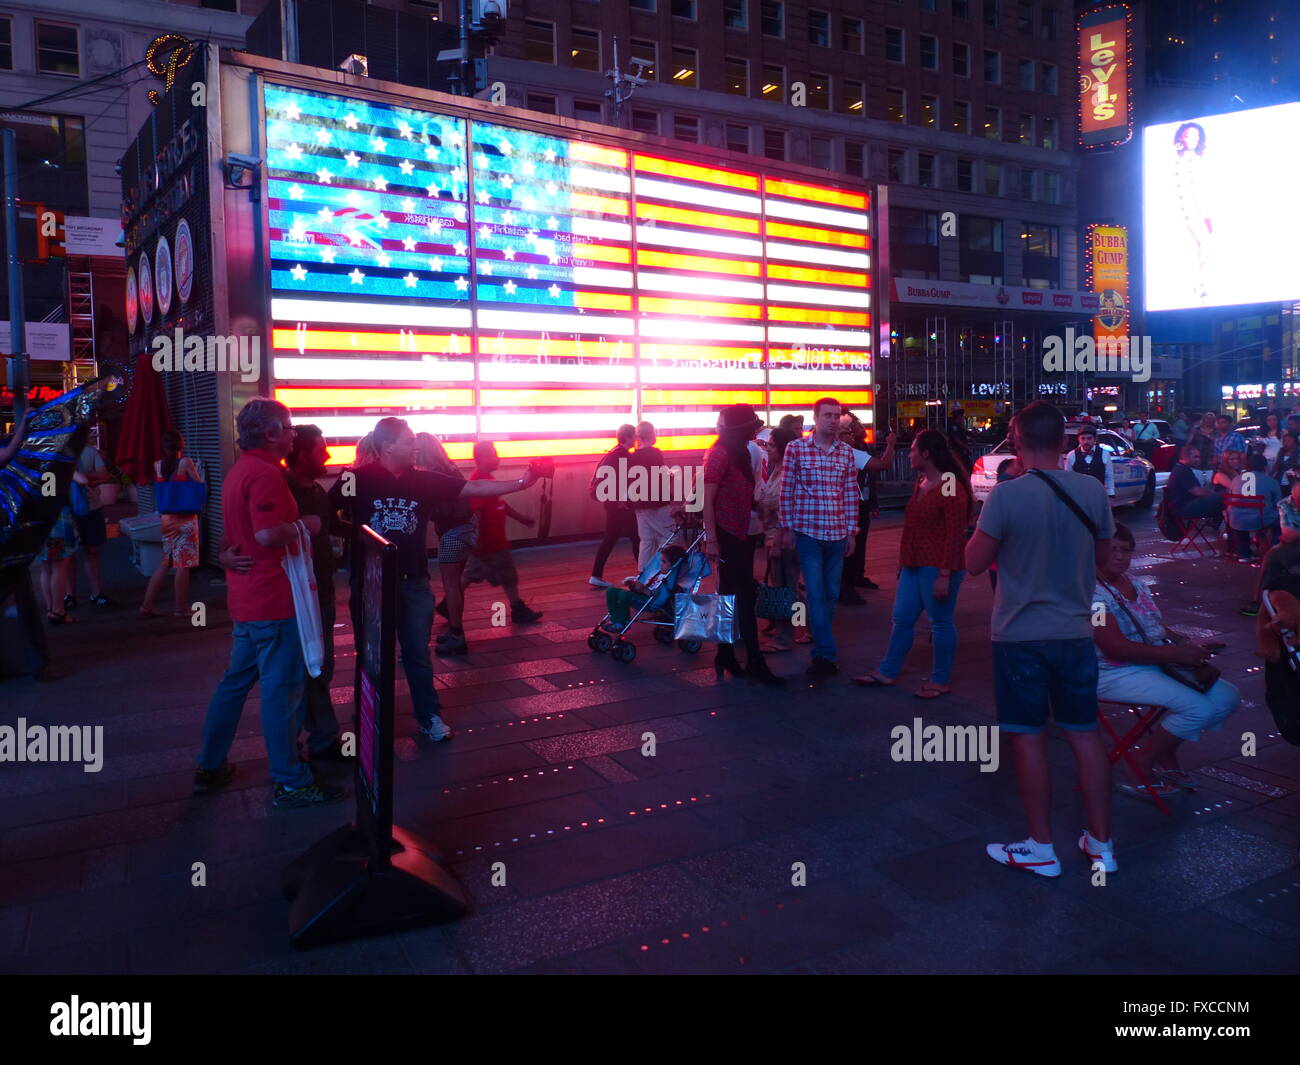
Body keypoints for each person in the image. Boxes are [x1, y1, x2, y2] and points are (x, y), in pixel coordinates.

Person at [966, 401, 1117, 878]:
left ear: (1015, 439)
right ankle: (1102, 844)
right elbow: (1104, 555)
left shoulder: (1006, 496)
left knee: (1028, 739)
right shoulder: (1092, 490)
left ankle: (1041, 847)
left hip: (1019, 636)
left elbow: (973, 562)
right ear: (1065, 442)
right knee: (1084, 735)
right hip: (1075, 632)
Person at [329, 418, 541, 741]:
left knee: (417, 654)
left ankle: (428, 717)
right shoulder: (356, 479)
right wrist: (354, 535)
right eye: (409, 440)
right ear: (387, 446)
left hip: (413, 581)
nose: (415, 446)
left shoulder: (423, 481)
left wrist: (524, 482)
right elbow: (326, 512)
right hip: (370, 586)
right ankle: (368, 718)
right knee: (372, 656)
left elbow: (475, 488)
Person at [194, 398, 345, 808]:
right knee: (283, 692)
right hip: (274, 599)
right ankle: (290, 781)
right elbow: (264, 535)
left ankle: (210, 764)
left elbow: (235, 536)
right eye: (290, 427)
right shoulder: (264, 474)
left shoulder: (238, 471)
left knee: (235, 682)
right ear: (273, 432)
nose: (295, 434)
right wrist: (306, 525)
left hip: (246, 599)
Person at [1093, 522, 1239, 797]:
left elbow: (1152, 625)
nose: (1120, 556)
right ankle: (1141, 761)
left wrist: (1184, 642)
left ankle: (1163, 751)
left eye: (1126, 550)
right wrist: (1176, 653)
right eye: (1112, 549)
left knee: (1226, 698)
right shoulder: (1092, 594)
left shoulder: (1134, 582)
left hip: (1154, 661)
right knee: (1198, 709)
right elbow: (1114, 648)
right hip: (1112, 671)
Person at [855, 430, 972, 698]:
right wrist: (902, 560)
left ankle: (940, 680)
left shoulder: (949, 483)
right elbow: (913, 527)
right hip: (913, 564)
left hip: (938, 565)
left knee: (940, 622)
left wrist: (945, 573)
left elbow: (955, 533)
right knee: (902, 618)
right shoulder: (921, 480)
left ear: (926, 454)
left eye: (912, 450)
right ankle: (887, 671)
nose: (908, 454)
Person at [702, 403, 784, 686]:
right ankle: (754, 661)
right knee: (745, 596)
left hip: (740, 534)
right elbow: (708, 499)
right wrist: (711, 538)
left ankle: (725, 653)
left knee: (730, 595)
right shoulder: (721, 452)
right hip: (727, 536)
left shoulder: (737, 451)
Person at [778, 397, 860, 677]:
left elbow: (850, 493)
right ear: (815, 418)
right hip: (808, 531)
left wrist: (852, 531)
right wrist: (786, 527)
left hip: (837, 533)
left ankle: (822, 647)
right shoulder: (796, 449)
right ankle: (826, 653)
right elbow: (785, 490)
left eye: (836, 415)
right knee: (815, 592)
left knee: (831, 595)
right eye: (827, 415)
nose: (833, 420)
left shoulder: (846, 453)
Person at [463, 440, 544, 624]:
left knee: (472, 575)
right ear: (482, 458)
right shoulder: (479, 482)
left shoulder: (488, 480)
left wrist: (520, 518)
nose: (498, 457)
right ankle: (517, 609)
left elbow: (500, 504)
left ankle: (447, 603)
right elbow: (476, 512)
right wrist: (477, 539)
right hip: (490, 541)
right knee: (508, 576)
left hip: (491, 541)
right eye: (493, 454)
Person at [417, 433, 475, 657]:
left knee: (450, 585)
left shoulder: (430, 475)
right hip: (468, 527)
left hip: (451, 533)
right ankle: (454, 631)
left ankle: (458, 636)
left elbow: (439, 509)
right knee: (457, 584)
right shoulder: (451, 469)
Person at [140, 430, 203, 619]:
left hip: (166, 519)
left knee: (166, 562)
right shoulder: (185, 462)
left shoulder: (157, 465)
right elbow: (197, 485)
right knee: (183, 564)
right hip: (184, 518)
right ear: (181, 445)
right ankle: (181, 608)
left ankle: (147, 605)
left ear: (163, 446)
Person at [838, 413, 896, 604]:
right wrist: (890, 445)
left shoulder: (851, 451)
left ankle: (847, 583)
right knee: (847, 548)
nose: (852, 436)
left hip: (850, 504)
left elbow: (878, 468)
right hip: (847, 506)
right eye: (848, 432)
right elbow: (883, 464)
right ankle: (845, 586)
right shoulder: (849, 452)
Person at [756, 427, 798, 653]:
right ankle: (807, 627)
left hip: (782, 540)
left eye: (771, 445)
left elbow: (786, 509)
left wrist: (777, 542)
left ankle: (785, 636)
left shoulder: (787, 473)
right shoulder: (775, 469)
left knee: (784, 589)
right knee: (790, 588)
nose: (767, 449)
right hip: (772, 536)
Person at [588, 425, 639, 588]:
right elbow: (624, 480)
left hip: (612, 502)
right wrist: (623, 500)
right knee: (636, 536)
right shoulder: (622, 455)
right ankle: (643, 574)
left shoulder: (613, 452)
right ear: (628, 437)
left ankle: (596, 575)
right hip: (619, 504)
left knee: (612, 538)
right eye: (634, 436)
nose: (636, 438)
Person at [67, 441, 116, 608]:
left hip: (92, 507)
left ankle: (96, 593)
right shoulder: (57, 451)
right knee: (68, 555)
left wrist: (80, 476)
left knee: (92, 550)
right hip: (67, 510)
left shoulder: (89, 451)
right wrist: (87, 477)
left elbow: (104, 475)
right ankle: (69, 595)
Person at [601, 544, 686, 630]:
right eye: (661, 561)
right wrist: (633, 584)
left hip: (650, 601)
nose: (660, 564)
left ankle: (623, 623)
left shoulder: (667, 579)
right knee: (611, 591)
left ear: (674, 565)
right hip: (641, 594)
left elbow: (655, 594)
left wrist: (643, 589)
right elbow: (645, 582)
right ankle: (615, 620)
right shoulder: (657, 572)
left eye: (664, 562)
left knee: (624, 595)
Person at [629, 421, 676, 573]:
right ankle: (660, 570)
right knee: (669, 536)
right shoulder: (655, 453)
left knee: (646, 540)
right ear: (651, 434)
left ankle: (643, 573)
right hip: (656, 502)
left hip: (639, 504)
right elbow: (660, 475)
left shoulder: (633, 455)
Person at [1227, 451, 1281, 562]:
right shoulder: (1271, 482)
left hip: (1236, 520)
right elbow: (1278, 503)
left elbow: (1230, 499)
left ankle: (1243, 554)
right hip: (1260, 520)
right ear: (1265, 467)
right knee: (1281, 520)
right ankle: (1273, 552)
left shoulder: (1236, 479)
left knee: (1238, 514)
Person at [39, 505, 79, 625]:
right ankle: (58, 611)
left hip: (38, 521)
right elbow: (52, 493)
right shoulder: (51, 486)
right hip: (55, 521)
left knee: (45, 567)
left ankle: (51, 609)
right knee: (59, 566)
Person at [1166, 443, 1224, 523]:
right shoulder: (1182, 470)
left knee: (1223, 499)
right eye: (1195, 457)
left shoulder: (1181, 468)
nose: (1198, 460)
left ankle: (1217, 524)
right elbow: (1197, 491)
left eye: (1199, 457)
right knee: (1224, 496)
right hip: (1185, 507)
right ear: (1185, 457)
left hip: (1184, 505)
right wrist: (1214, 495)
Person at [1061, 422, 1115, 499]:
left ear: (1095, 439)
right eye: (1083, 438)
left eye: (1089, 438)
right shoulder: (1072, 455)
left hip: (1099, 496)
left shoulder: (1104, 454)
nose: (1086, 442)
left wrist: (1111, 495)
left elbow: (1109, 477)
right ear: (1079, 439)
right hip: (1079, 497)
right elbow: (1068, 479)